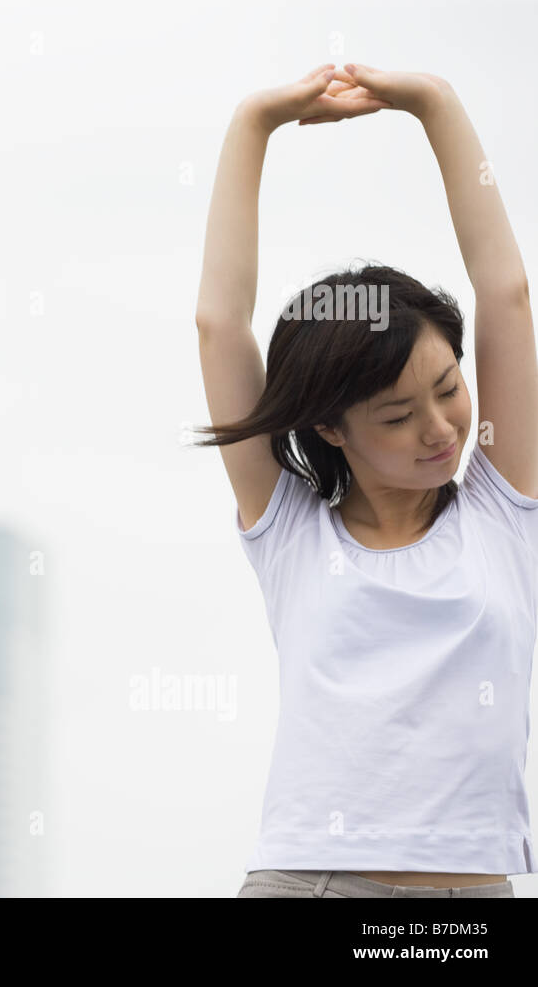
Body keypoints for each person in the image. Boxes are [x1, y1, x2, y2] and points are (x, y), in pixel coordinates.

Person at [192, 64, 537, 899]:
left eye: (450, 388)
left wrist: (435, 103)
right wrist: (254, 122)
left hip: (468, 903)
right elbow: (219, 323)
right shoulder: (290, 531)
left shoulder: (503, 509)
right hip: (309, 884)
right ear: (329, 427)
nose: (441, 428)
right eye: (396, 416)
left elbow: (508, 294)